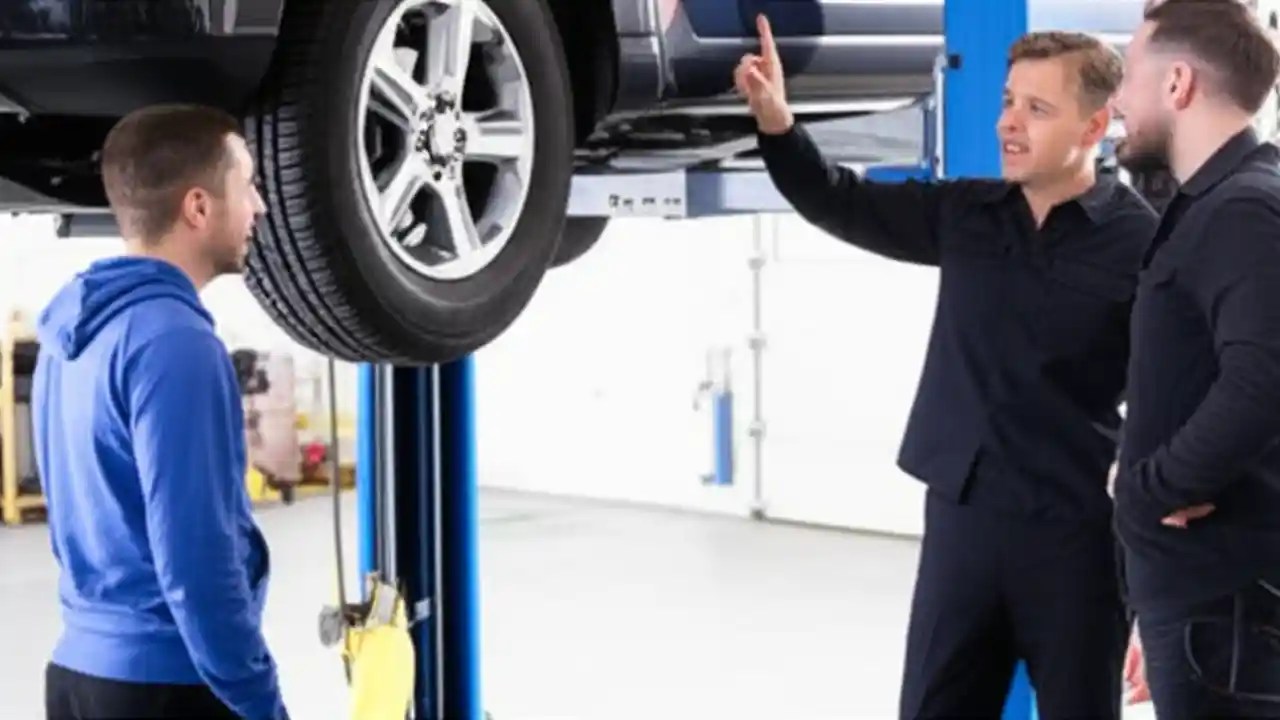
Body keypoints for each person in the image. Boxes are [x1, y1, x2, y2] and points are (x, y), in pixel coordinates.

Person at [737, 15, 1159, 719]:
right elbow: (839, 199)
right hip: (962, 522)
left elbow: (1170, 405)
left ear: (1095, 127)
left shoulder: (1144, 244)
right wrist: (779, 125)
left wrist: (1154, 591)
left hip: (1076, 534)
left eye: (1038, 108)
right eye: (1007, 102)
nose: (1010, 124)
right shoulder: (968, 213)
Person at [32, 104, 289, 720]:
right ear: (198, 208)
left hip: (79, 676)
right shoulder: (177, 343)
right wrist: (258, 700)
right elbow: (198, 562)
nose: (259, 206)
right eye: (247, 185)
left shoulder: (71, 333)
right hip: (169, 685)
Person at [1111, 0, 1280, 715]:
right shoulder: (1217, 203)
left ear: (1177, 83)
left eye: (1125, 76)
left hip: (1223, 606)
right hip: (1206, 603)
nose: (1116, 99)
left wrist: (1148, 491)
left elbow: (1262, 379)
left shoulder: (1239, 210)